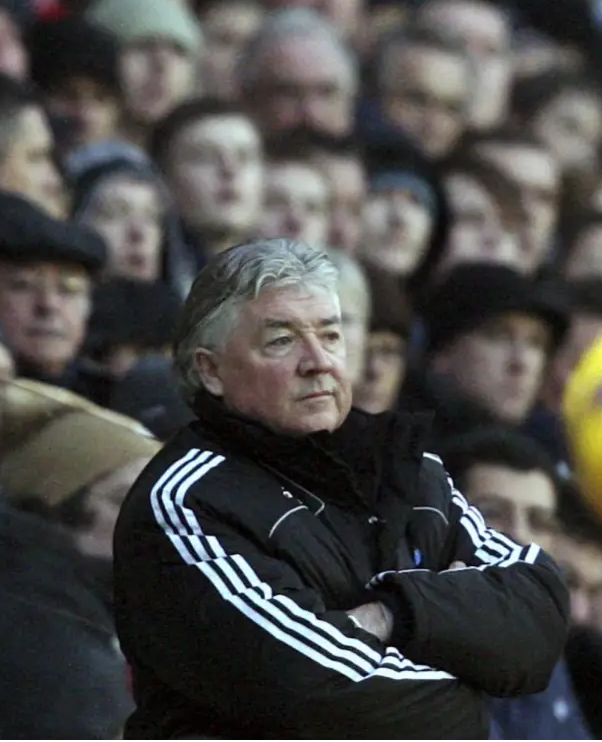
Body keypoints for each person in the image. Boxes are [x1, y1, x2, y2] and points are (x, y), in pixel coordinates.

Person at [113, 238, 569, 741]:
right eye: (281, 340)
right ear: (211, 371)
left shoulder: (408, 469)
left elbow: (540, 609)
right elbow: (321, 691)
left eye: (330, 336)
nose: (318, 361)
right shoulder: (186, 500)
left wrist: (392, 614)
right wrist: (464, 666)